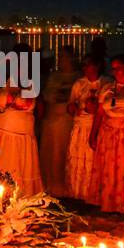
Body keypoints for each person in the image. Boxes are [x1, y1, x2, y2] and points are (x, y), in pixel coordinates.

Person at [92, 55, 124, 214]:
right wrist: (93, 134)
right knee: (110, 171)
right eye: (113, 68)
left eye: (118, 67)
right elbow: (99, 113)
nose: (116, 71)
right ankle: (109, 205)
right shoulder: (107, 88)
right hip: (109, 134)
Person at [0, 66, 43, 197]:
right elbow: (7, 100)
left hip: (24, 138)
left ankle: (23, 200)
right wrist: (15, 101)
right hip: (4, 137)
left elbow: (28, 102)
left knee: (23, 170)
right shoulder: (4, 87)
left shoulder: (31, 87)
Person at [65, 54, 107, 204]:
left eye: (87, 65)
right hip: (80, 126)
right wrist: (73, 107)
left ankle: (93, 195)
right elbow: (70, 105)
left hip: (97, 125)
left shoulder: (106, 83)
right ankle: (77, 194)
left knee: (92, 161)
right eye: (83, 66)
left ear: (96, 67)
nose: (85, 69)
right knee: (78, 161)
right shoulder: (79, 84)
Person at [38, 46, 79, 197]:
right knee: (51, 152)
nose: (60, 60)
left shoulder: (78, 77)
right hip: (51, 118)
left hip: (67, 120)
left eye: (63, 56)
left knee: (63, 152)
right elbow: (48, 95)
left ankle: (65, 187)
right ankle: (50, 186)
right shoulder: (54, 76)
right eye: (59, 56)